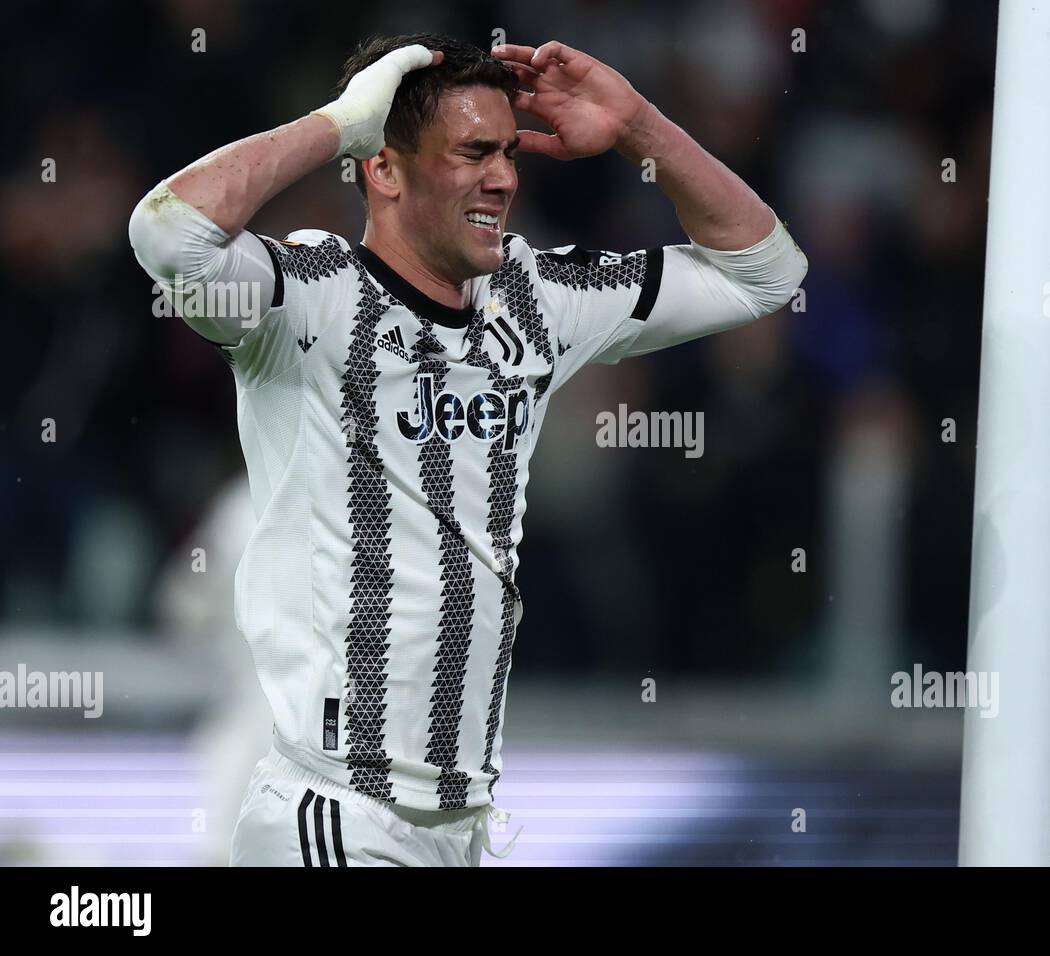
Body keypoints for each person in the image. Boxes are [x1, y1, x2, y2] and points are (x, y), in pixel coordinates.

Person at [128, 32, 807, 867]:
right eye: (474, 153)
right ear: (384, 169)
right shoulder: (307, 298)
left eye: (510, 153)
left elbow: (765, 271)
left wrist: (640, 127)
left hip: (461, 822)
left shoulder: (537, 297)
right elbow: (166, 235)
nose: (505, 178)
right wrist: (342, 123)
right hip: (336, 812)